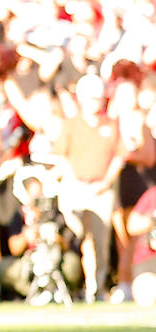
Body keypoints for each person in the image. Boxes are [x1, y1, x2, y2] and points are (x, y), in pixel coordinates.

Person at [51, 73, 125, 303]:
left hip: (102, 190)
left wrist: (105, 182)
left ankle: (96, 286)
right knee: (76, 236)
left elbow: (119, 155)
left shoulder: (111, 125)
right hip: (76, 188)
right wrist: (75, 180)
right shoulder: (71, 124)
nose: (97, 102)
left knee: (100, 241)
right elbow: (61, 156)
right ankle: (72, 282)